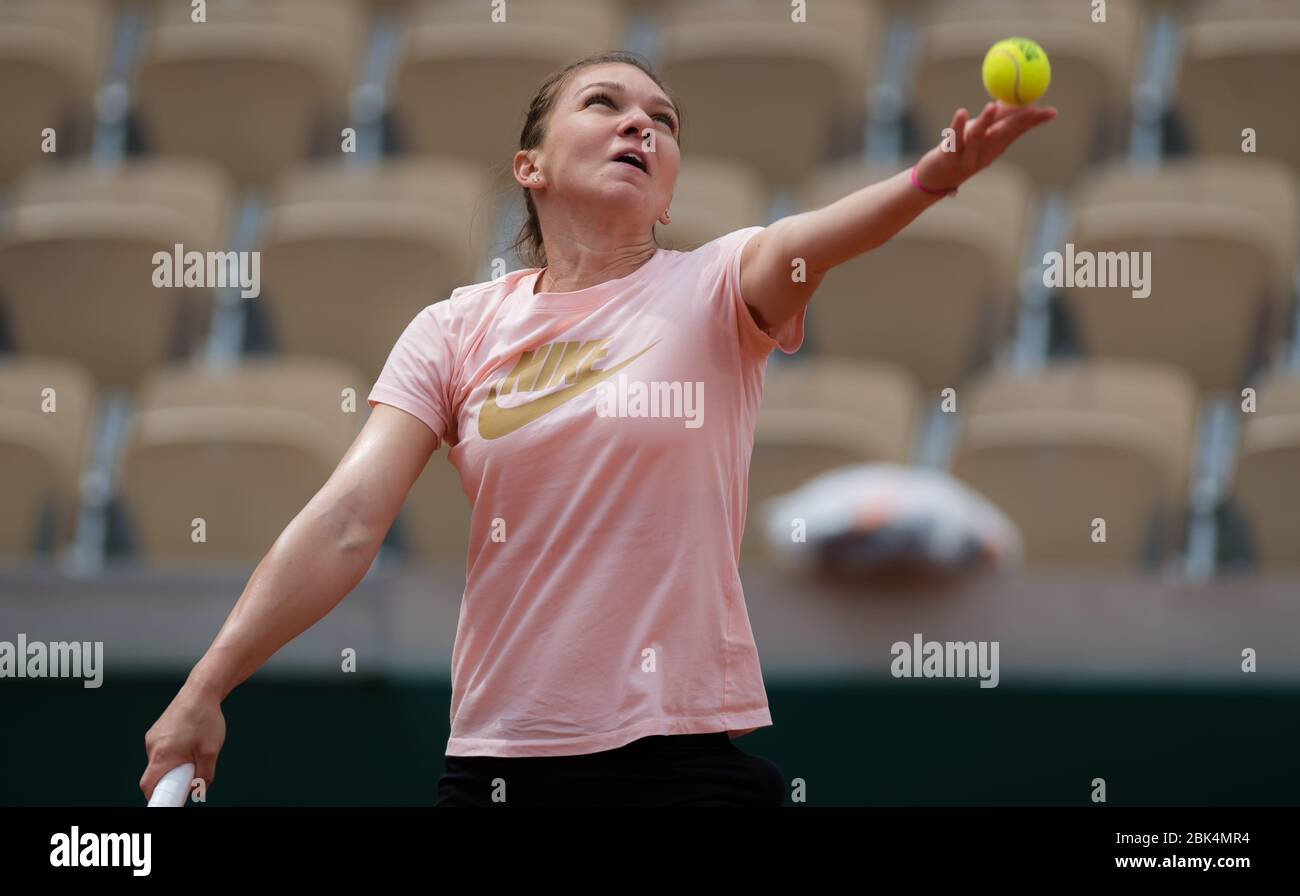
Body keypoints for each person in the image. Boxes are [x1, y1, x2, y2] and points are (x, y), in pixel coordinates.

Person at [140, 50, 1054, 808]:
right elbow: (346, 522)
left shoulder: (715, 287)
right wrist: (205, 686)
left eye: (662, 120)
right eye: (605, 104)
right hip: (500, 762)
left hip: (678, 761)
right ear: (529, 167)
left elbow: (813, 240)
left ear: (666, 194)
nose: (640, 125)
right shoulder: (455, 329)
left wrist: (933, 179)